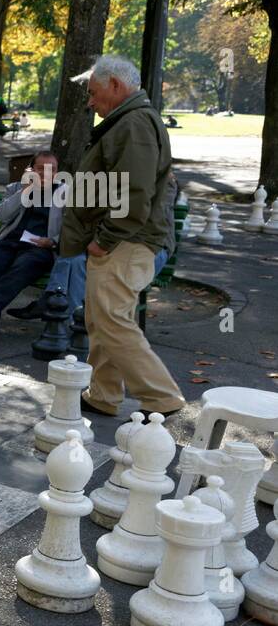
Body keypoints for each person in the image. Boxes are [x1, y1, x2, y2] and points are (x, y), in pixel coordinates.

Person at [61, 54, 185, 418]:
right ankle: (103, 393)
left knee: (111, 320)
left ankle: (162, 397)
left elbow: (133, 192)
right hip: (123, 240)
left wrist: (104, 239)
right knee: (102, 319)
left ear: (115, 85)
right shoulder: (129, 121)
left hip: (125, 242)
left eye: (94, 93)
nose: (90, 102)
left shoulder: (133, 124)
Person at [8, 170, 178, 322]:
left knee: (90, 264)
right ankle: (70, 322)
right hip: (108, 244)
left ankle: (62, 309)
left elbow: (138, 221)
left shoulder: (162, 180)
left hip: (146, 248)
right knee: (73, 258)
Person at [0, 151, 67, 343]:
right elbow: (1, 216)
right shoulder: (16, 188)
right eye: (40, 169)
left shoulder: (66, 192)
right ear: (31, 170)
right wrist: (24, 190)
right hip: (10, 242)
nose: (46, 174)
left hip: (40, 247)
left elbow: (72, 229)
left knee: (25, 264)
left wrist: (53, 241)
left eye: (52, 169)